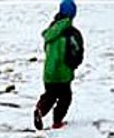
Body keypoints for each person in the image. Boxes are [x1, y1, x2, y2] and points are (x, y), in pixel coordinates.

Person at [34, 0, 78, 130]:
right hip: (62, 74)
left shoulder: (52, 30)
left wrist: (50, 72)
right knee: (65, 98)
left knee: (50, 95)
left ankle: (40, 110)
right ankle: (57, 122)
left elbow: (49, 53)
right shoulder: (69, 33)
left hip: (49, 73)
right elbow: (74, 52)